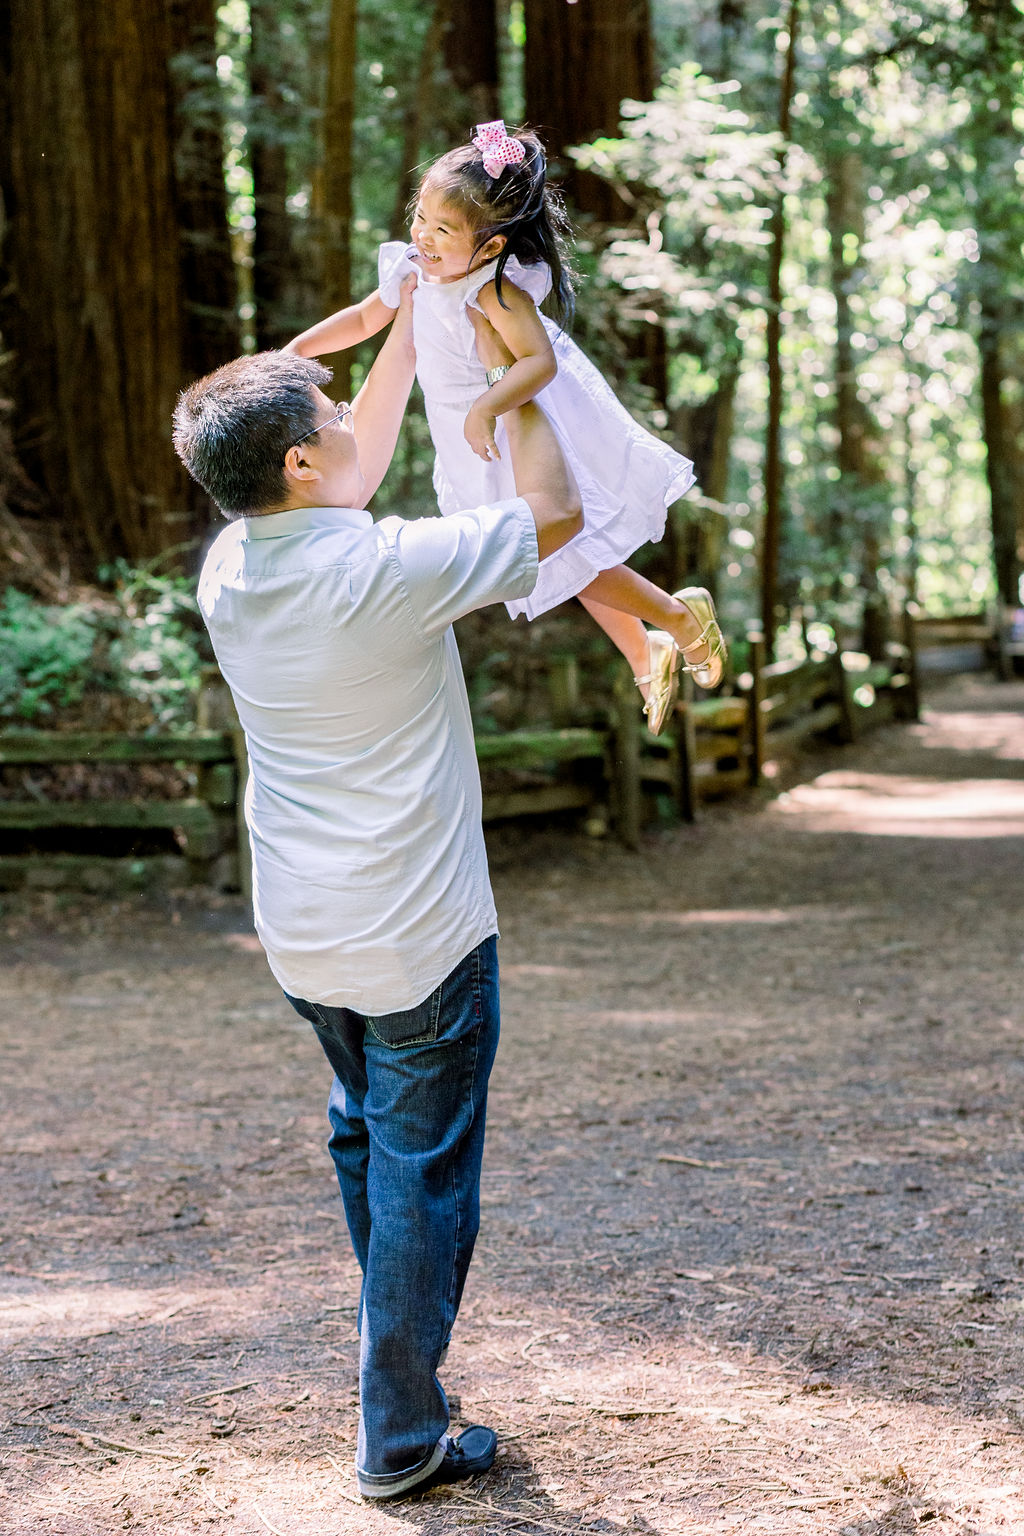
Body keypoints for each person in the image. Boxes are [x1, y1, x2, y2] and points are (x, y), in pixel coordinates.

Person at [171, 280, 583, 1499]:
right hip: (419, 938)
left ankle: (398, 1366)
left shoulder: (233, 564)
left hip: (307, 936)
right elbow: (552, 509)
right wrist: (529, 381)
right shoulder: (386, 571)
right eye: (333, 408)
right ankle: (400, 1432)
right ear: (301, 460)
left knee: (367, 1130)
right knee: (421, 1167)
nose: (356, 411)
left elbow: (348, 463)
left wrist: (409, 316)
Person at [285, 119, 727, 735]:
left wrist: (488, 407)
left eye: (444, 230)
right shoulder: (414, 270)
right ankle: (643, 649)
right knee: (555, 559)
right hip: (472, 445)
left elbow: (539, 363)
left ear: (490, 246)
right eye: (420, 218)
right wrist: (296, 352)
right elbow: (365, 318)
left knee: (561, 552)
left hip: (516, 426)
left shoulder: (497, 292)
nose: (424, 237)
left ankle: (679, 619)